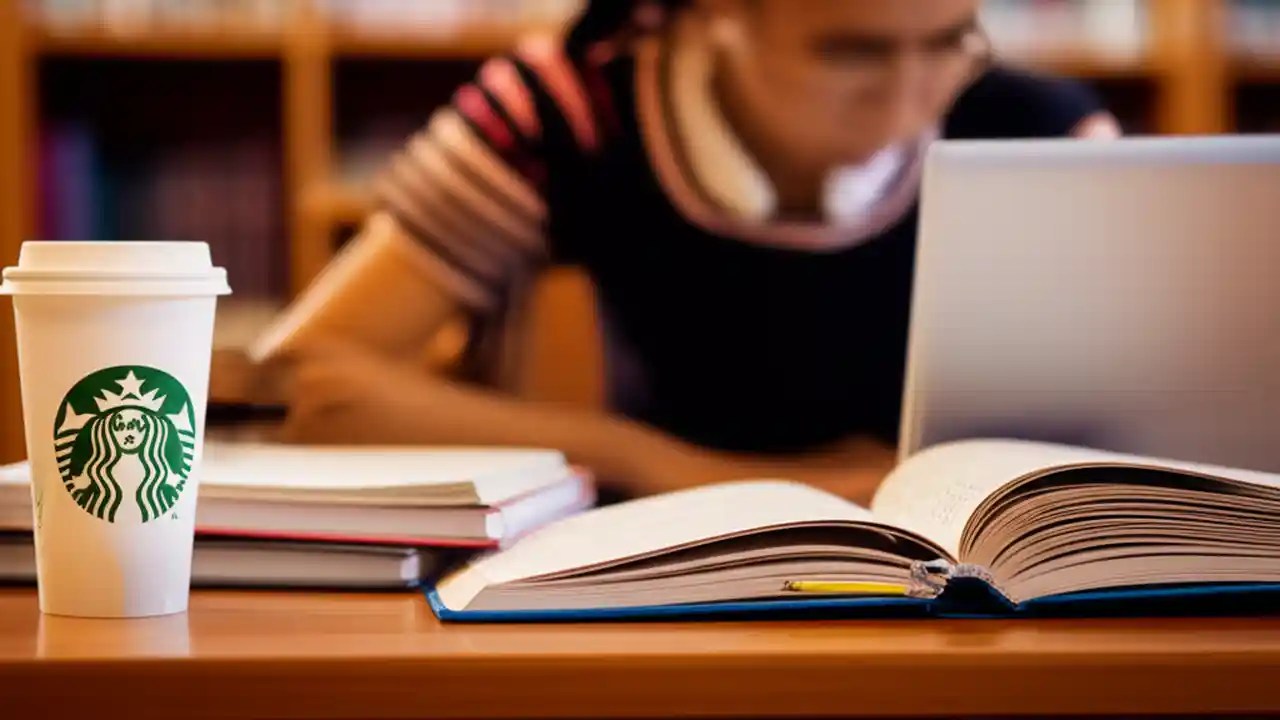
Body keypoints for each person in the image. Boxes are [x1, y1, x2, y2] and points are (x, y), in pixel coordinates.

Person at [240, 0, 1120, 502]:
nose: (910, 98)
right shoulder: (569, 110)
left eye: (950, 40)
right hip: (672, 588)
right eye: (851, 53)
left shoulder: (1042, 133)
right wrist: (650, 460)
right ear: (716, 14)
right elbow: (300, 377)